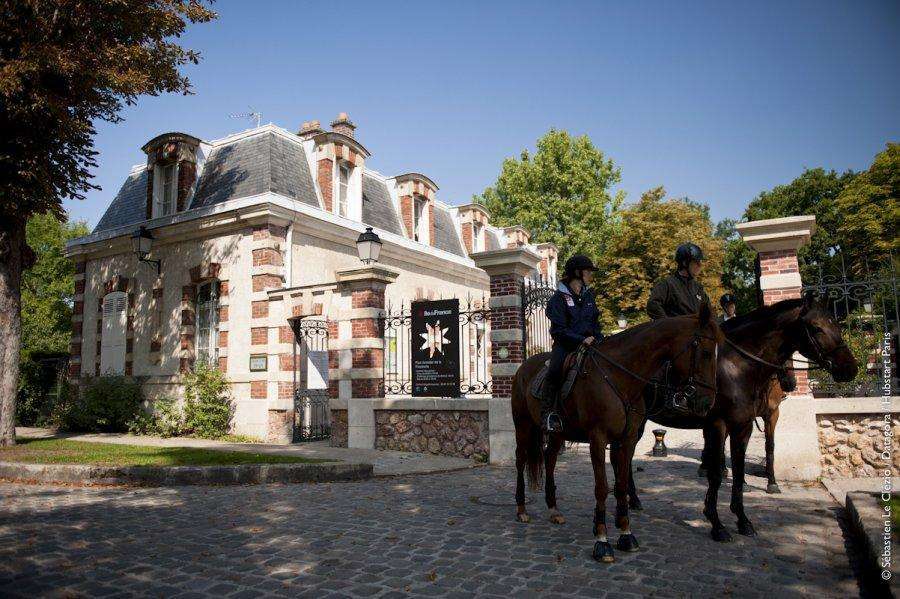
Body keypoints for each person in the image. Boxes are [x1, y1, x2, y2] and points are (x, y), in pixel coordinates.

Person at [542, 255, 604, 433]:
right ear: (577, 273)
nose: (591, 274)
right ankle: (548, 414)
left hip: (591, 344)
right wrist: (581, 339)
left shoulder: (589, 296)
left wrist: (599, 338)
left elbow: (595, 323)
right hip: (566, 345)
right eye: (588, 271)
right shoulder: (558, 299)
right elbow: (558, 330)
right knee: (554, 370)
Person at [646, 242, 711, 320]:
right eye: (696, 262)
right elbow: (653, 305)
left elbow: (709, 310)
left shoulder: (698, 288)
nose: (700, 265)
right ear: (685, 263)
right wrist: (669, 324)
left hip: (697, 330)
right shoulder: (667, 284)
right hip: (677, 330)